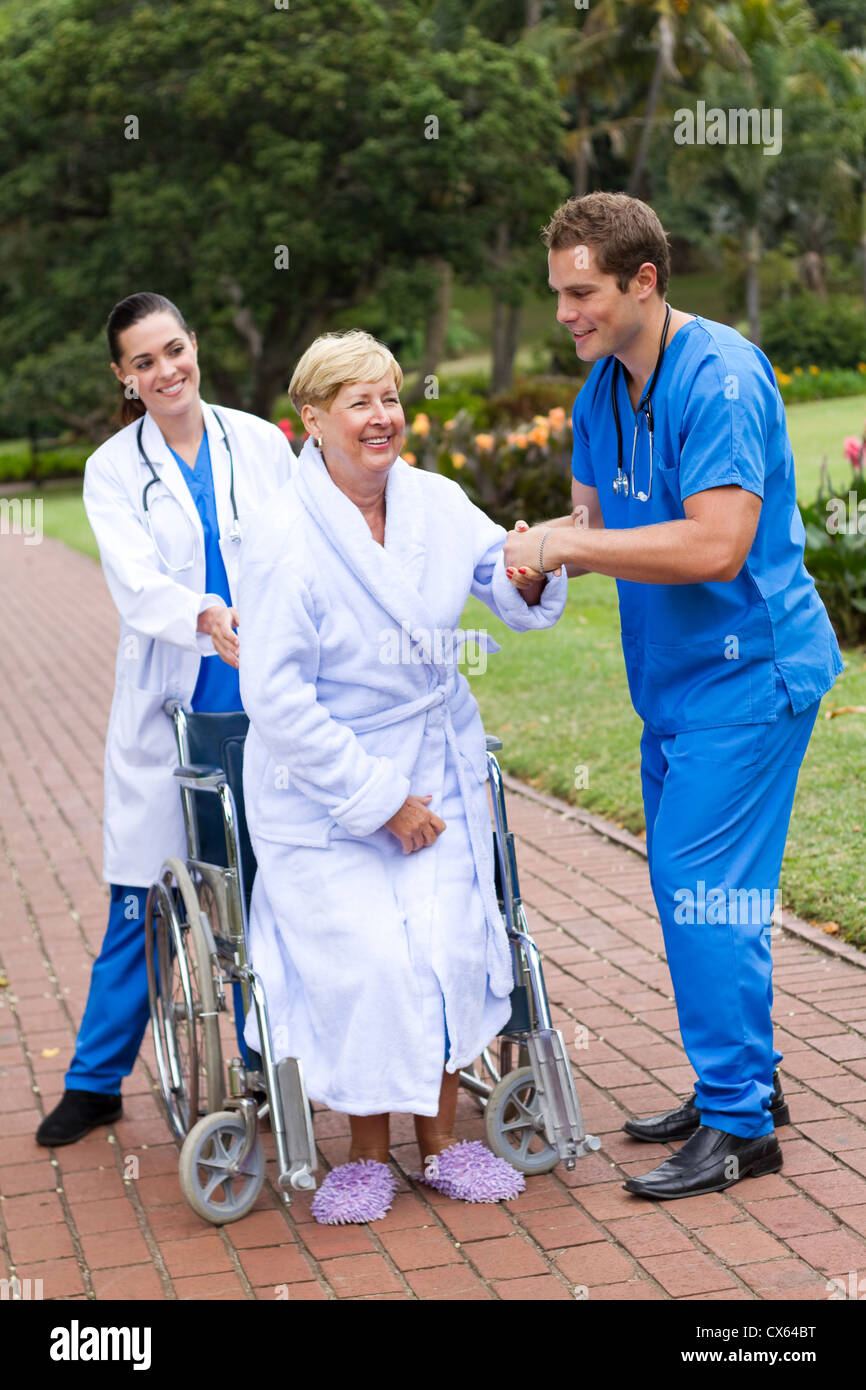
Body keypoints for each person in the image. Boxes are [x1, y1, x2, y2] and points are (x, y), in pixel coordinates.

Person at [504, 192, 843, 1200]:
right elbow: (590, 522)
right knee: (696, 892)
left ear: (641, 282)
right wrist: (538, 562)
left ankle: (740, 1128)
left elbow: (713, 543)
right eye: (556, 292)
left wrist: (568, 544)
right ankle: (743, 1082)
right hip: (671, 689)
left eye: (581, 292)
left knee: (703, 894)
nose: (564, 311)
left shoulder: (722, 377)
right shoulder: (601, 392)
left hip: (751, 678)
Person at [237, 330, 567, 1223]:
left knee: (448, 941)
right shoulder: (278, 535)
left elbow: (501, 579)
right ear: (311, 418)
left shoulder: (433, 500)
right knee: (372, 958)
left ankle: (444, 1144)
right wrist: (381, 803)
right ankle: (366, 1155)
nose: (384, 417)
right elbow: (276, 700)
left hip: (434, 757)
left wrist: (531, 566)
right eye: (360, 402)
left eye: (390, 397)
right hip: (323, 786)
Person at [36, 292, 294, 1146]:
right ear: (124, 376)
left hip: (264, 704)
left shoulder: (259, 441)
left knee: (264, 886)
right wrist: (204, 614)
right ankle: (96, 1081)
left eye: (173, 350)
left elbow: (304, 546)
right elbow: (137, 582)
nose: (165, 371)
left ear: (195, 346)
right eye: (143, 362)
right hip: (171, 707)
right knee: (141, 901)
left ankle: (264, 1060)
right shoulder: (113, 468)